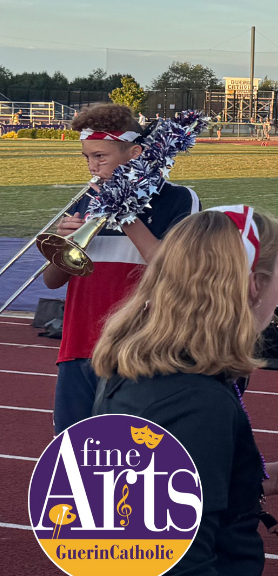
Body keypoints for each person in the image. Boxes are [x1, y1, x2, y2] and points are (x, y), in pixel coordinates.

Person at [79, 206, 278, 576]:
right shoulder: (189, 401)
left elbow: (148, 509)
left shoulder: (153, 371)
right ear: (252, 284)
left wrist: (269, 479)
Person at [45, 103, 201, 434]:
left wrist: (125, 213)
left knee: (132, 454)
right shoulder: (85, 201)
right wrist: (64, 241)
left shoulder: (179, 199)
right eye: (87, 157)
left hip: (141, 347)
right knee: (75, 451)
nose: (92, 166)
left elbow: (171, 271)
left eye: (100, 156)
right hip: (80, 345)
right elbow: (52, 281)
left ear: (135, 153)